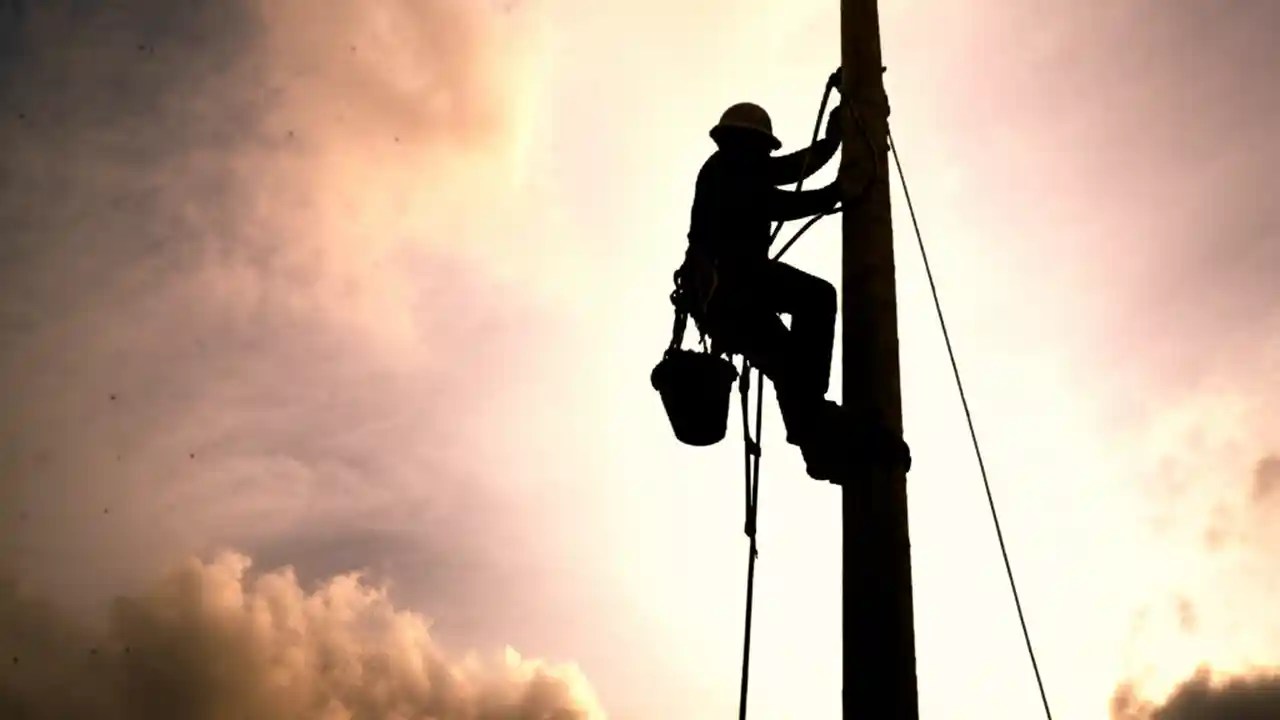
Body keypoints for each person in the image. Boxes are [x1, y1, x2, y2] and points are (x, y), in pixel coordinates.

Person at [678, 99, 909, 482]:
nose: (761, 156)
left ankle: (817, 443)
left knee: (789, 366)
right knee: (817, 300)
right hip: (732, 288)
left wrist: (832, 142)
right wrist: (834, 192)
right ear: (738, 142)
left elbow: (791, 169)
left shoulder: (743, 167)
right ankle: (819, 424)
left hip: (733, 298)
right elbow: (770, 201)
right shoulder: (724, 173)